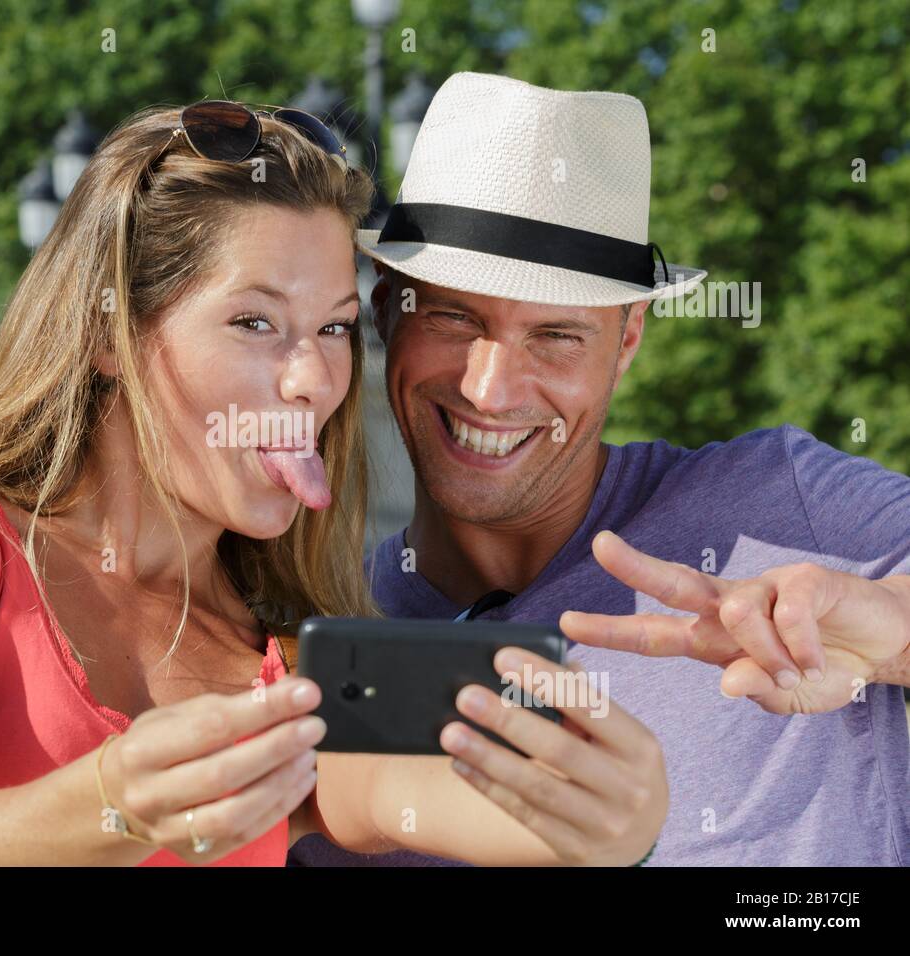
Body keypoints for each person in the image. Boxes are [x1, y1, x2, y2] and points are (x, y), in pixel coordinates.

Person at [0, 99, 667, 867]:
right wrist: (114, 804)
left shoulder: (292, 653)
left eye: (337, 327)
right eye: (256, 323)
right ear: (106, 336)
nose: (314, 378)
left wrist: (617, 818)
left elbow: (417, 791)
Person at [288, 72, 910, 866]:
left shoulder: (783, 496)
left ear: (627, 344)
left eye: (556, 336)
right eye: (453, 316)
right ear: (383, 309)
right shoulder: (330, 645)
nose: (490, 390)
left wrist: (891, 631)